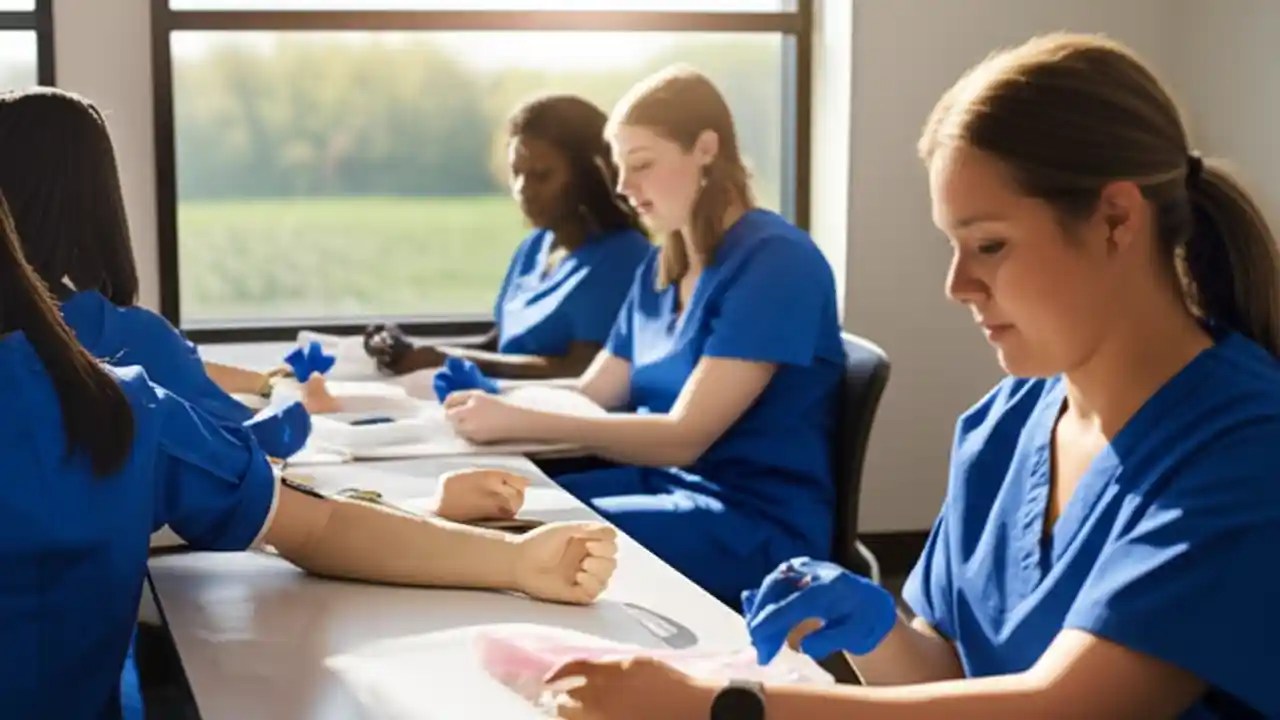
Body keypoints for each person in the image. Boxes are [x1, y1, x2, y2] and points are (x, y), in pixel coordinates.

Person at [538, 33, 1280, 720]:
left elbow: (1064, 708)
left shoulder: (1244, 445)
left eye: (989, 244)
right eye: (952, 246)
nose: (958, 284)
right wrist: (876, 630)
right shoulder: (1002, 426)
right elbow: (948, 682)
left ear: (1117, 220)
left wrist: (722, 706)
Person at [0, 192, 617, 719]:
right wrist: (511, 560)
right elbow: (314, 519)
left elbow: (311, 518)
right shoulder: (105, 402)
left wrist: (513, 559)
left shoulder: (112, 401)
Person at [442, 67, 845, 608]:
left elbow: (685, 437)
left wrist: (517, 420)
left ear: (706, 149)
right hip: (660, 489)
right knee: (483, 518)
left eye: (643, 165)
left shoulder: (777, 262)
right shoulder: (661, 269)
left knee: (517, 545)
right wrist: (488, 404)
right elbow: (591, 397)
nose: (624, 188)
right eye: (619, 169)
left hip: (750, 525)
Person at [0, 87, 315, 458]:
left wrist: (267, 381)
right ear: (95, 197)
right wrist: (288, 398)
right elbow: (258, 445)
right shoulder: (122, 335)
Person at [364, 94, 651, 380]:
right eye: (517, 173)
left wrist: (444, 359)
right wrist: (416, 352)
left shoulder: (624, 259)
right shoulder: (535, 248)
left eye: (541, 175)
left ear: (589, 176)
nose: (523, 190)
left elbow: (582, 371)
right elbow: (499, 346)